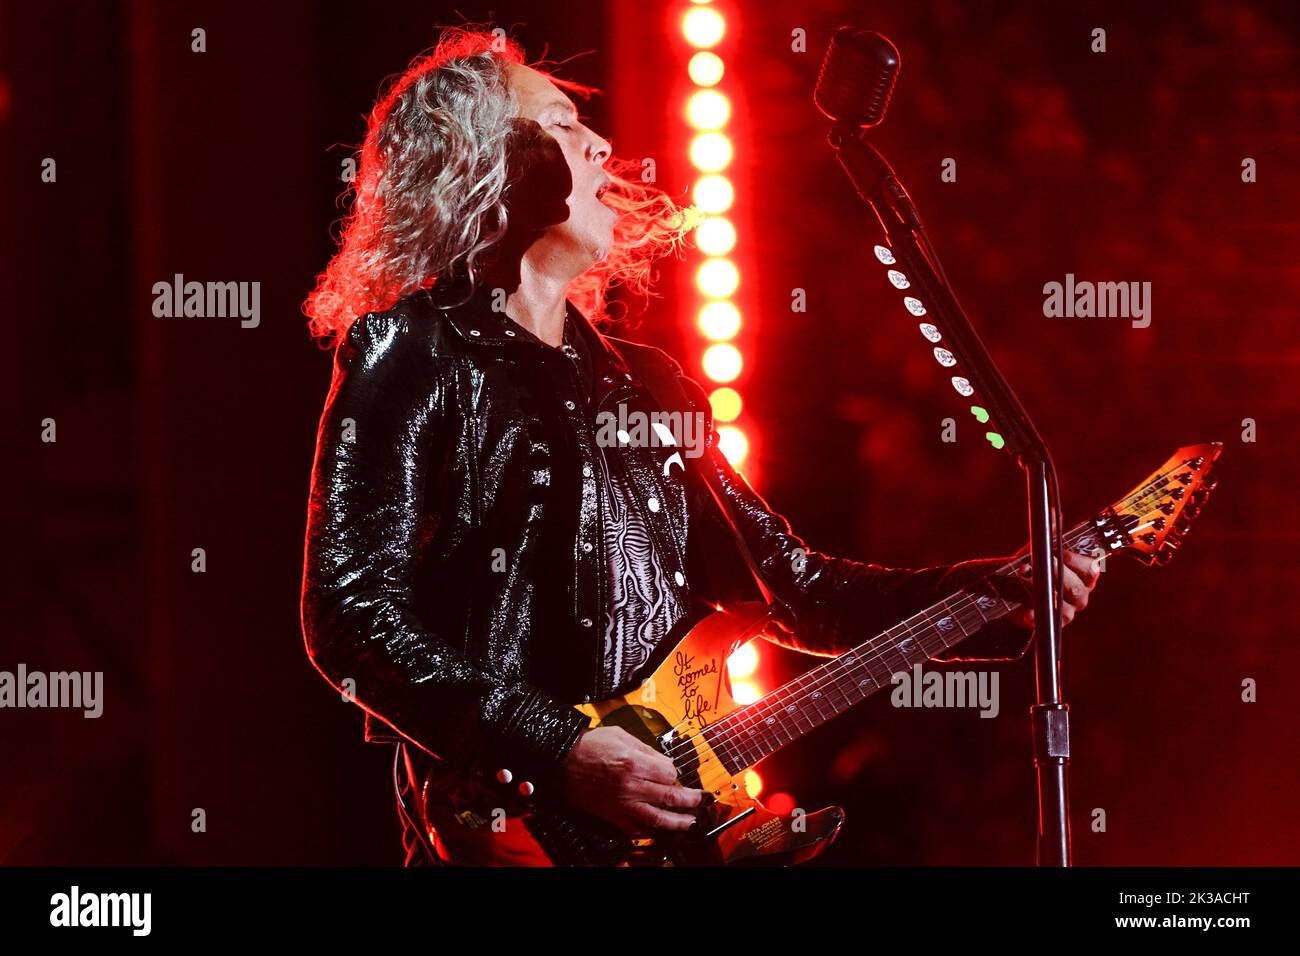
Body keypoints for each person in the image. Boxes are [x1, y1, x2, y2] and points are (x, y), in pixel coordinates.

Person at [298, 27, 1100, 866]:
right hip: (512, 831)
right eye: (565, 125)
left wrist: (991, 591)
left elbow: (793, 587)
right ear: (487, 165)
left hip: (669, 838)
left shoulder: (652, 384)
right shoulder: (415, 350)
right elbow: (349, 617)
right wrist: (559, 748)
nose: (602, 143)